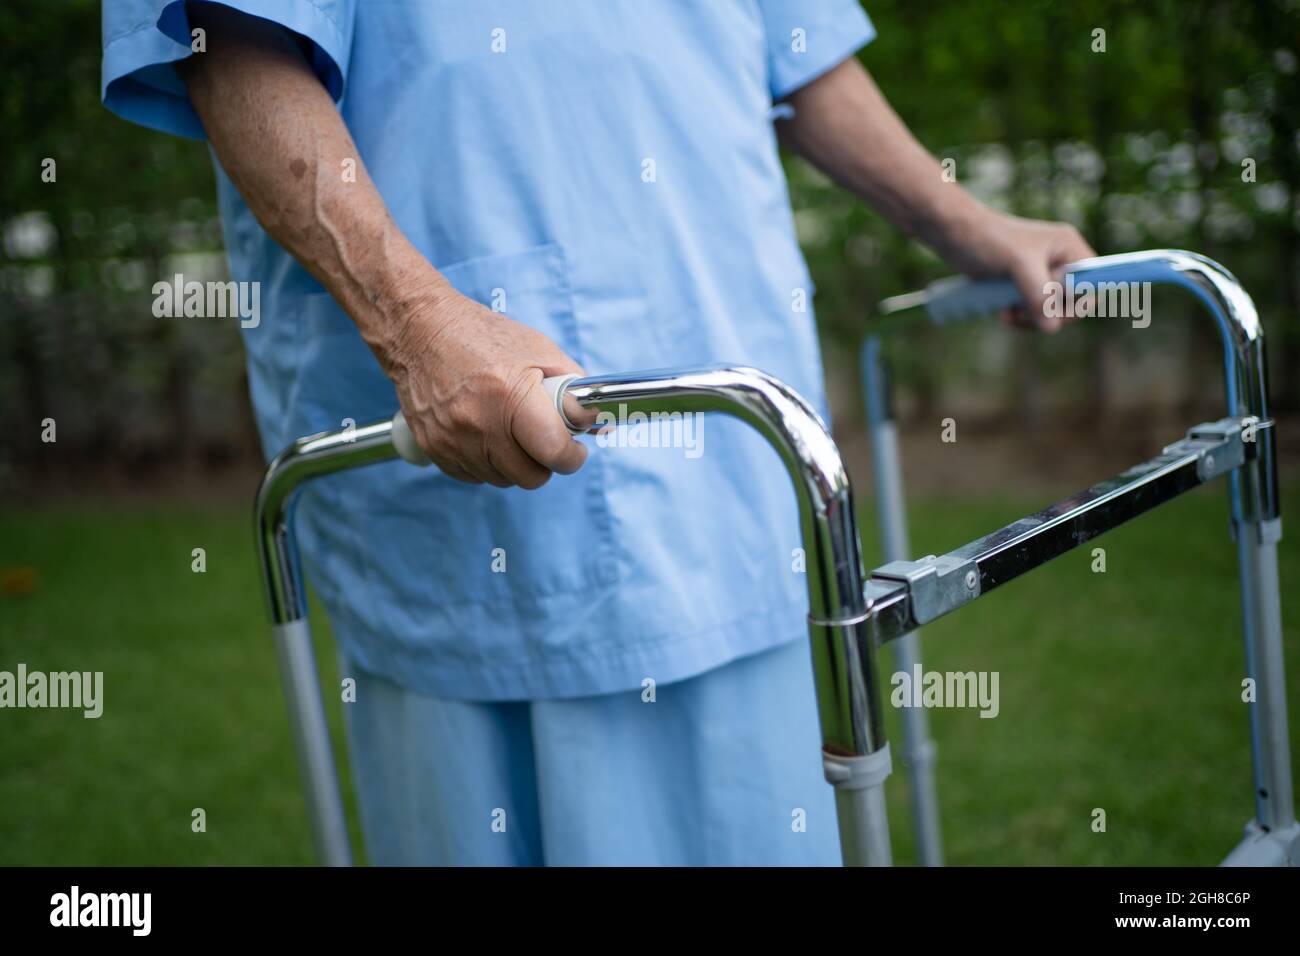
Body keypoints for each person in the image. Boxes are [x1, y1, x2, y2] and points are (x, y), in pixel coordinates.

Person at [102, 0, 1095, 865]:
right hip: (489, 508)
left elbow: (799, 42)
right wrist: (419, 323)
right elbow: (226, 41)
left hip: (748, 459)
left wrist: (969, 224)